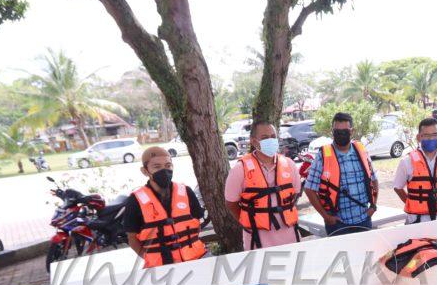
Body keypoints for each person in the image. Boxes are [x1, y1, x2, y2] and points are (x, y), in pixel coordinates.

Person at [122, 146, 206, 267]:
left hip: (195, 261)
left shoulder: (186, 191)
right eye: (157, 167)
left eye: (168, 165)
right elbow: (132, 238)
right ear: (145, 171)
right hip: (160, 268)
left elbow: (196, 225)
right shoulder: (135, 200)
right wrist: (149, 256)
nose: (164, 170)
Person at [224, 121, 302, 250]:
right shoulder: (239, 170)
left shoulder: (289, 165)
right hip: (257, 240)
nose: (270, 140)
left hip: (290, 238)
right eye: (265, 138)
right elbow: (231, 203)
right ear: (254, 142)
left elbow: (294, 195)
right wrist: (248, 219)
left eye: (273, 136)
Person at [304, 112, 379, 236]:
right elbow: (309, 189)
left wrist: (373, 206)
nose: (340, 135)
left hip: (364, 219)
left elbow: (374, 180)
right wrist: (326, 217)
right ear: (332, 132)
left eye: (344, 131)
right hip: (337, 224)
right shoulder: (323, 155)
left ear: (352, 131)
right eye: (337, 132)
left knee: (366, 255)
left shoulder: (361, 151)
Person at [393, 117, 437, 224]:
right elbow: (398, 187)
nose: (431, 139)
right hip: (417, 220)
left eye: (435, 134)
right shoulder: (407, 161)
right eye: (426, 135)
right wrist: (412, 202)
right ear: (419, 137)